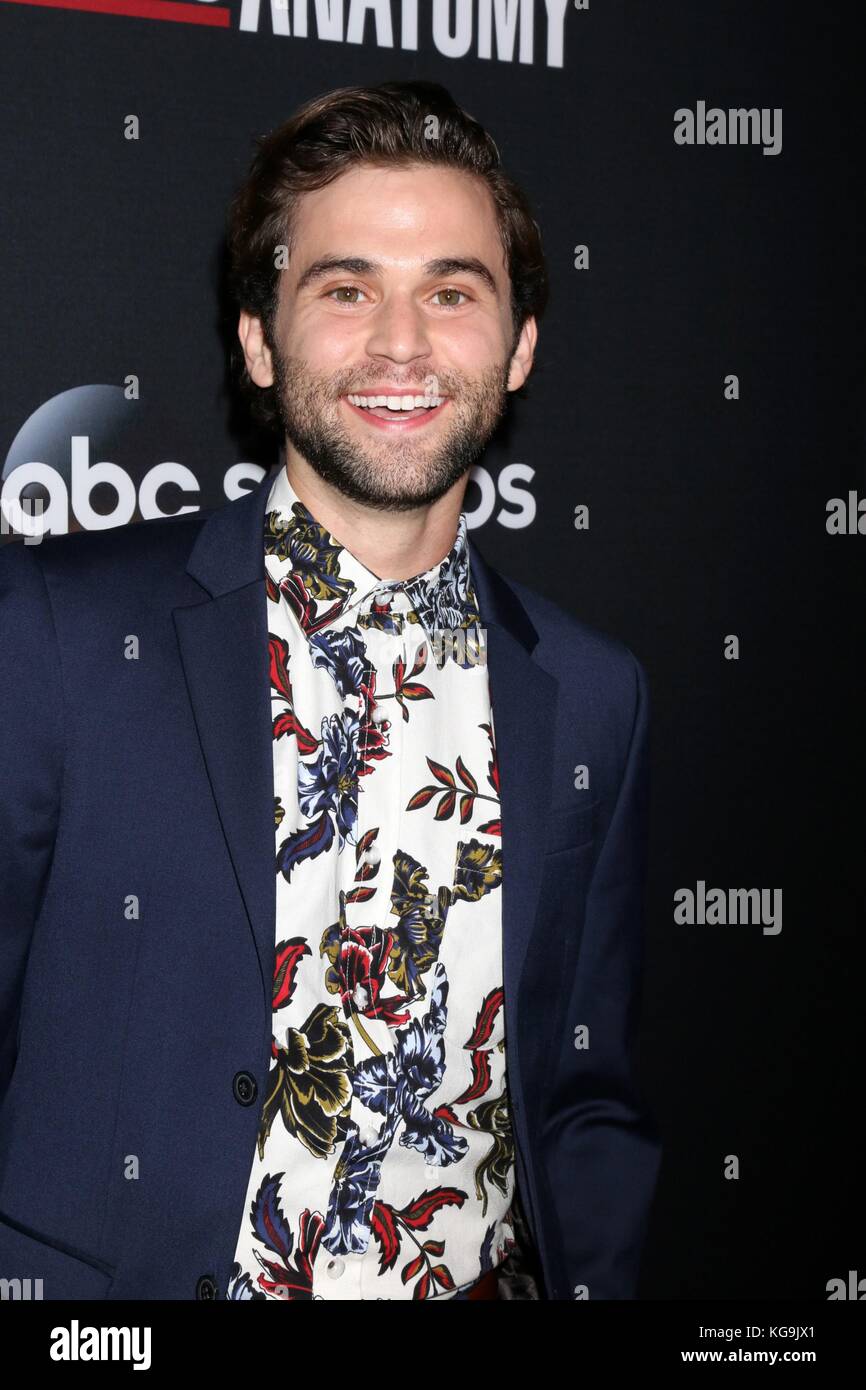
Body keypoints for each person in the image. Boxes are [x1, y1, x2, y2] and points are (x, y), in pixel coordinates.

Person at [0, 80, 661, 1301]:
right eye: (345, 288)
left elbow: (584, 1095)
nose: (401, 344)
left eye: (452, 293)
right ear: (258, 336)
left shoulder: (591, 693)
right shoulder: (58, 630)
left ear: (517, 346)